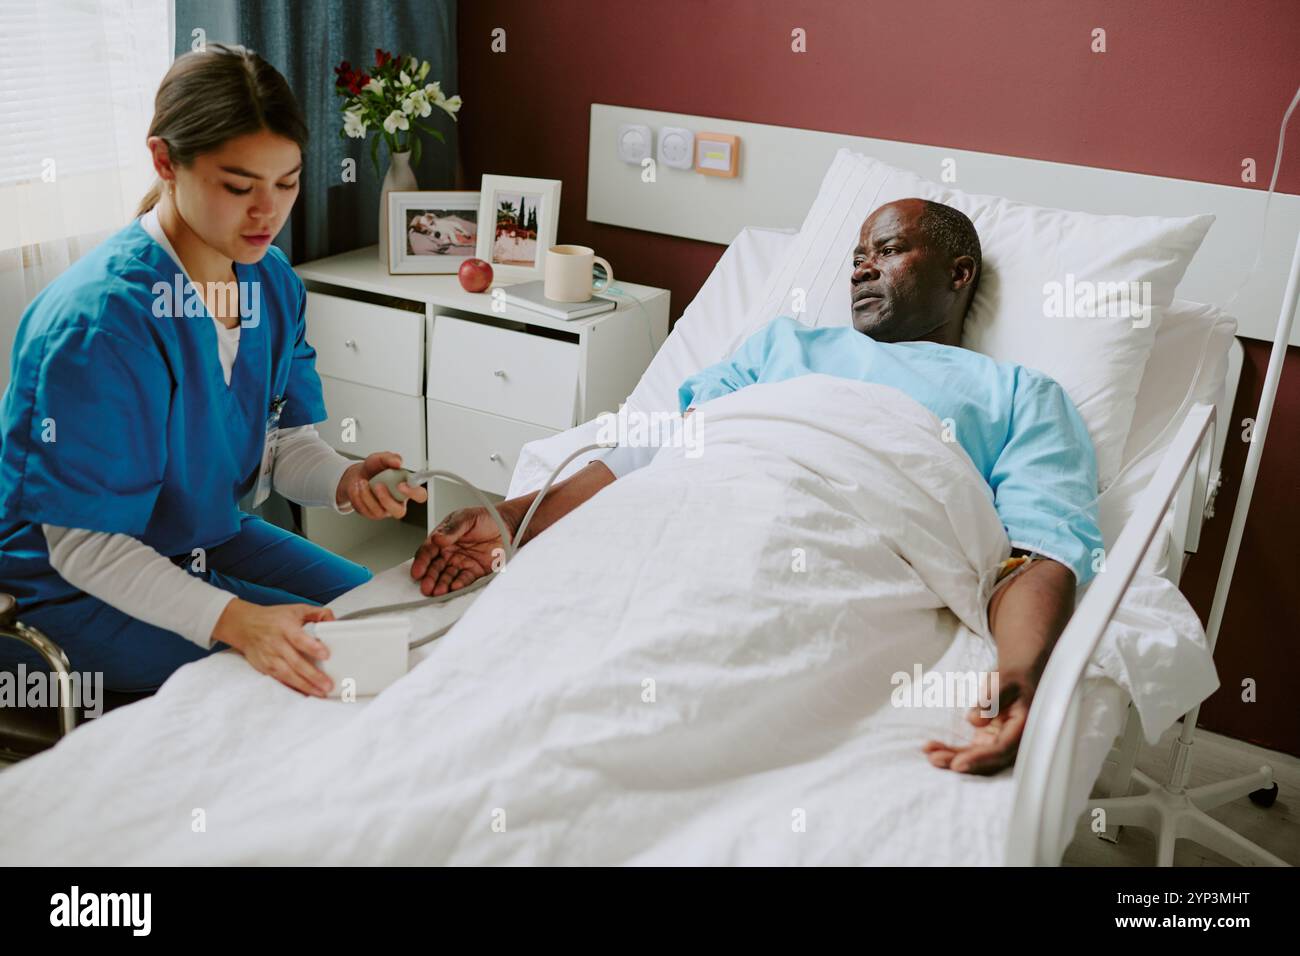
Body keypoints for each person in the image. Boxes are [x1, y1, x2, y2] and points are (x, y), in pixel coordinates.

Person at [410, 198, 1104, 775]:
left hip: (842, 541)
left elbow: (1040, 554)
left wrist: (1021, 671)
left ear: (959, 274)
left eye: (887, 251)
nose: (862, 266)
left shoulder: (1018, 394)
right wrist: (509, 520)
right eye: (857, 254)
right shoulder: (783, 347)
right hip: (699, 500)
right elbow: (660, 447)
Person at [0, 45, 425, 698]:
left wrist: (346, 479)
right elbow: (85, 548)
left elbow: (280, 443)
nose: (268, 214)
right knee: (320, 671)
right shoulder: (100, 325)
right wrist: (236, 622)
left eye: (286, 183)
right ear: (165, 161)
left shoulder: (270, 283)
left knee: (402, 624)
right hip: (68, 586)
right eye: (238, 186)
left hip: (201, 537)